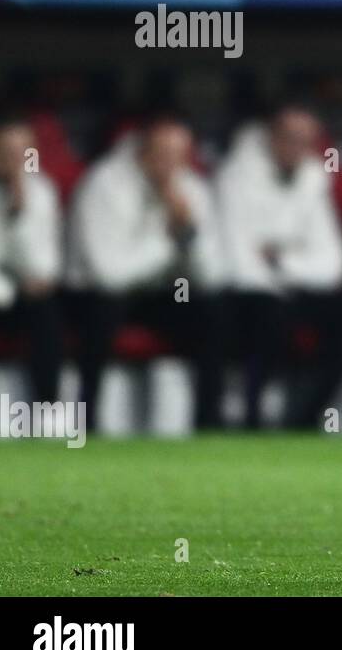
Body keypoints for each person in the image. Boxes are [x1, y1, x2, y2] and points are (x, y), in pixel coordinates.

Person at [216, 104, 342, 429]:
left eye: (306, 140)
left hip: (293, 287)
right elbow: (239, 262)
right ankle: (251, 421)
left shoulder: (314, 176)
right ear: (271, 136)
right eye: (290, 137)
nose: (297, 148)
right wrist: (295, 259)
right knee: (268, 312)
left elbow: (334, 262)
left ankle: (305, 420)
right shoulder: (234, 175)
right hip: (245, 295)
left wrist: (280, 259)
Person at [65, 116, 227, 430]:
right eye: (162, 154)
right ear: (142, 151)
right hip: (97, 296)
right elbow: (109, 275)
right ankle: (87, 423)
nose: (171, 165)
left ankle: (209, 425)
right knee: (103, 312)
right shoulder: (104, 183)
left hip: (161, 294)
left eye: (179, 156)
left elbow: (211, 277)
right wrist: (168, 242)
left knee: (212, 312)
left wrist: (187, 233)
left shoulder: (191, 188)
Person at [0, 112, 63, 404]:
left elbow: (43, 269)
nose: (14, 160)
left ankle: (48, 412)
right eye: (6, 151)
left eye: (23, 153)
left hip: (18, 296)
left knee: (45, 311)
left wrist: (19, 213)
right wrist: (8, 292)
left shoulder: (41, 192)